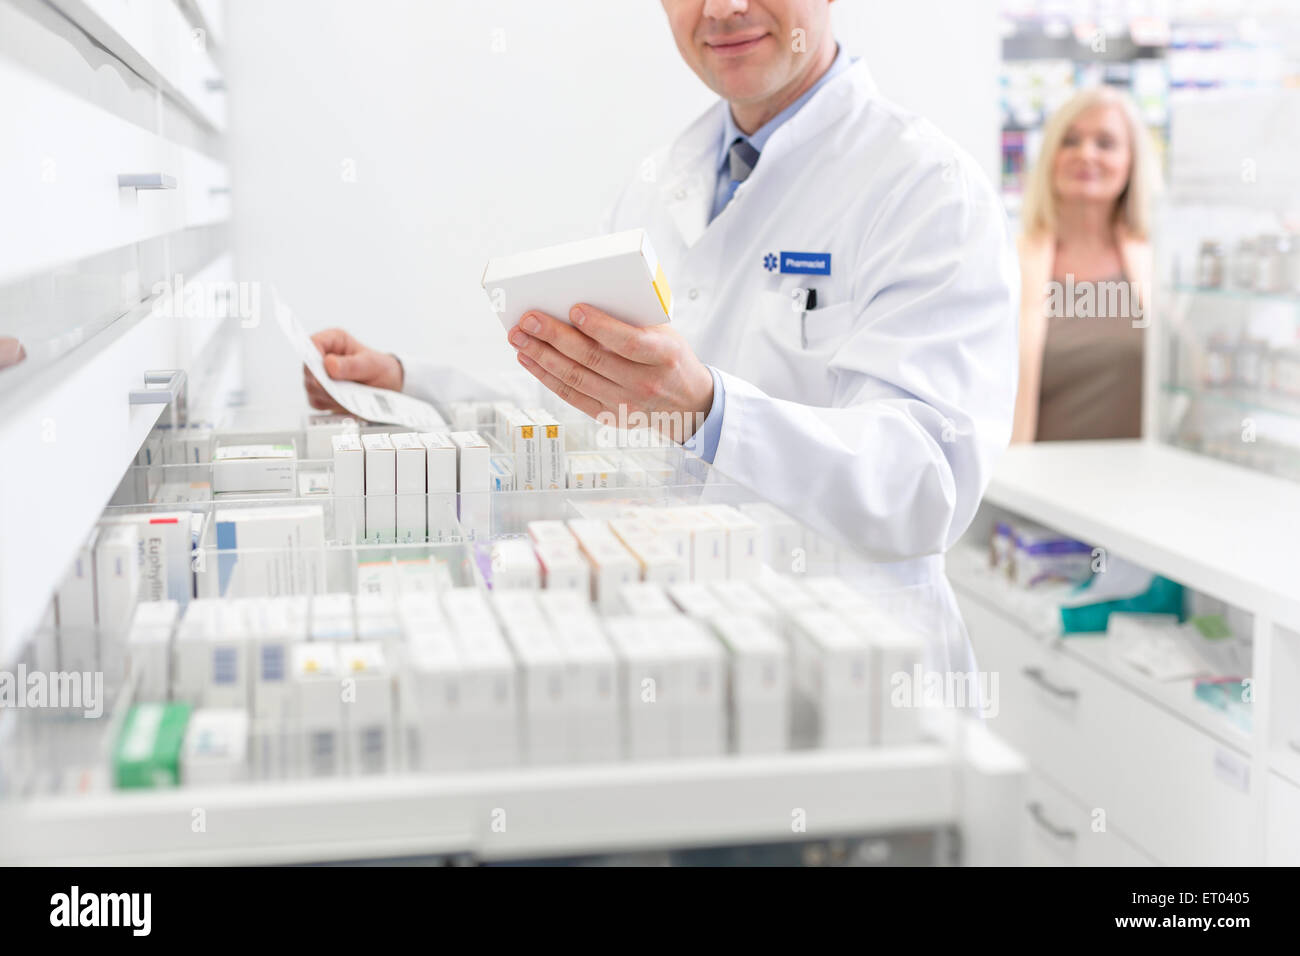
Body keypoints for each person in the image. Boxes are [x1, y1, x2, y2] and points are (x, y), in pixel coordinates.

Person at [306, 0, 1018, 675]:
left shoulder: (925, 188)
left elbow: (924, 484)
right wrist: (406, 384)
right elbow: (591, 402)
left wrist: (710, 413)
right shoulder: (663, 179)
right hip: (682, 651)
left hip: (860, 673)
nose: (722, 9)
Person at [1011, 86, 1158, 443]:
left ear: (1132, 162)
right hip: (1033, 490)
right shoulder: (1009, 263)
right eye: (1070, 141)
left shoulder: (1157, 263)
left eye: (1105, 143)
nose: (1085, 154)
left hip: (1141, 486)